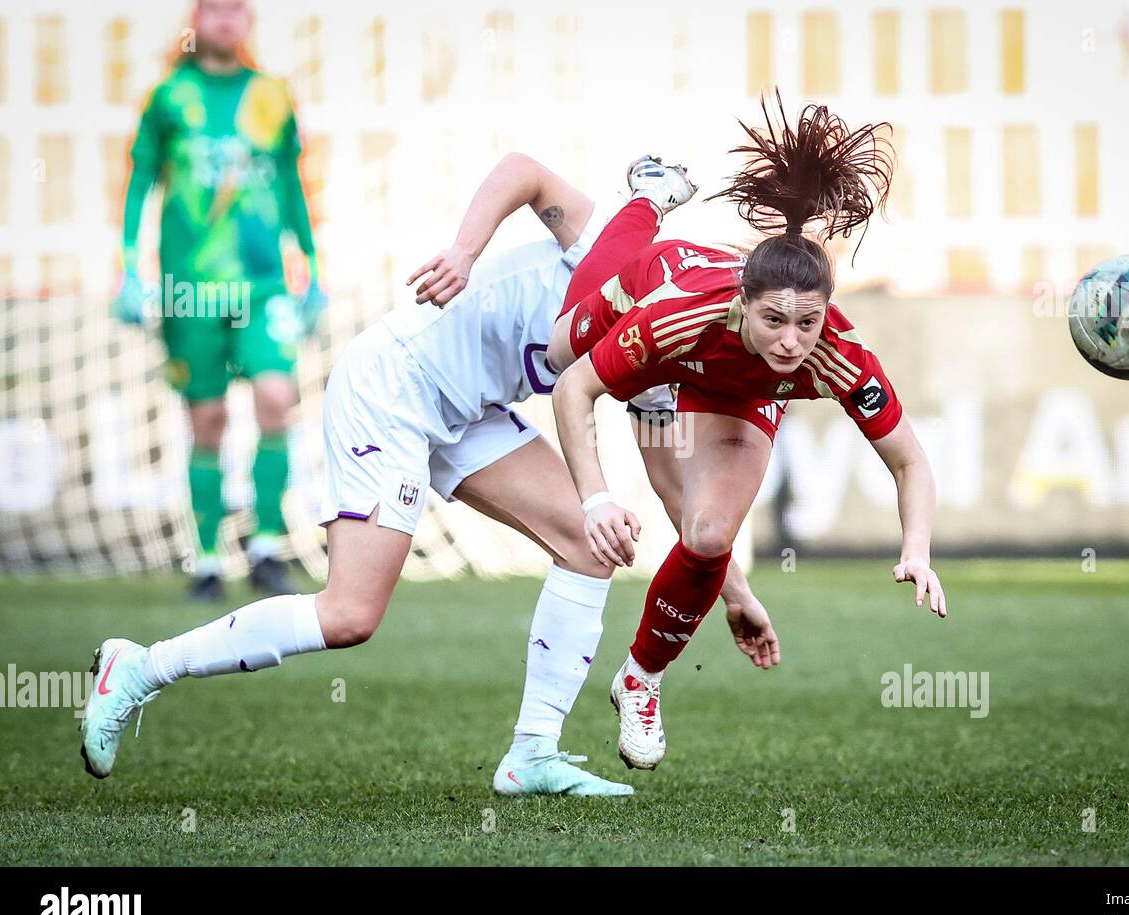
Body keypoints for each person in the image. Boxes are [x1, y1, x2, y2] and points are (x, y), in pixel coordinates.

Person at [81, 152, 780, 797]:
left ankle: (532, 753)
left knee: (587, 541)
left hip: (468, 410)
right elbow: (523, 169)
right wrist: (464, 252)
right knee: (351, 615)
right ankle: (140, 667)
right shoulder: (612, 245)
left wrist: (732, 592)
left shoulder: (674, 350)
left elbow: (674, 488)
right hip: (396, 385)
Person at [549, 94, 949, 771]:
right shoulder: (676, 313)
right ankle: (646, 199)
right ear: (743, 304)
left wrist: (917, 548)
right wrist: (594, 498)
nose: (792, 342)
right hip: (660, 304)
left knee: (706, 533)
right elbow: (571, 388)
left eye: (808, 323)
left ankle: (640, 677)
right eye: (773, 321)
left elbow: (910, 462)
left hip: (738, 394)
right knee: (555, 350)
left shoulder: (838, 354)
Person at [114, 0, 326, 601]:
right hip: (190, 288)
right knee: (206, 420)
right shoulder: (168, 98)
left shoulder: (271, 96)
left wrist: (310, 266)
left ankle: (264, 546)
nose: (227, 19)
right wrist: (131, 269)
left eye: (238, 9)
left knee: (276, 397)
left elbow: (290, 184)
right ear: (196, 20)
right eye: (215, 8)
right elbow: (139, 183)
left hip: (262, 287)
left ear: (249, 23)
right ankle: (207, 559)